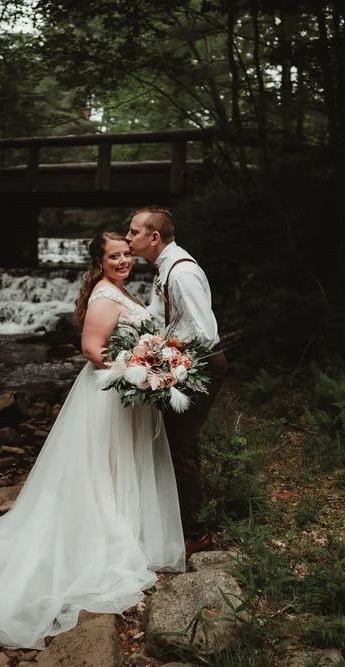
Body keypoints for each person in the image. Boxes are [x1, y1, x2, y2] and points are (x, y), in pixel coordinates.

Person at [0, 232, 185, 650]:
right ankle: (98, 537)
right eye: (113, 256)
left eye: (126, 255)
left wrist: (153, 362)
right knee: (102, 465)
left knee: (119, 463)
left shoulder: (120, 290)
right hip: (109, 393)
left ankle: (127, 524)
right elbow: (90, 347)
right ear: (99, 262)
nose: (123, 261)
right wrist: (139, 369)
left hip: (126, 392)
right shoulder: (104, 295)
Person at [126, 206, 228, 557]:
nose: (128, 238)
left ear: (153, 237)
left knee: (178, 447)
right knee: (180, 443)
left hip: (199, 365)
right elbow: (158, 317)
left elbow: (204, 332)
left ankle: (195, 534)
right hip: (182, 362)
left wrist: (167, 359)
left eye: (133, 232)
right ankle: (186, 520)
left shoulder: (181, 273)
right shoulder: (164, 268)